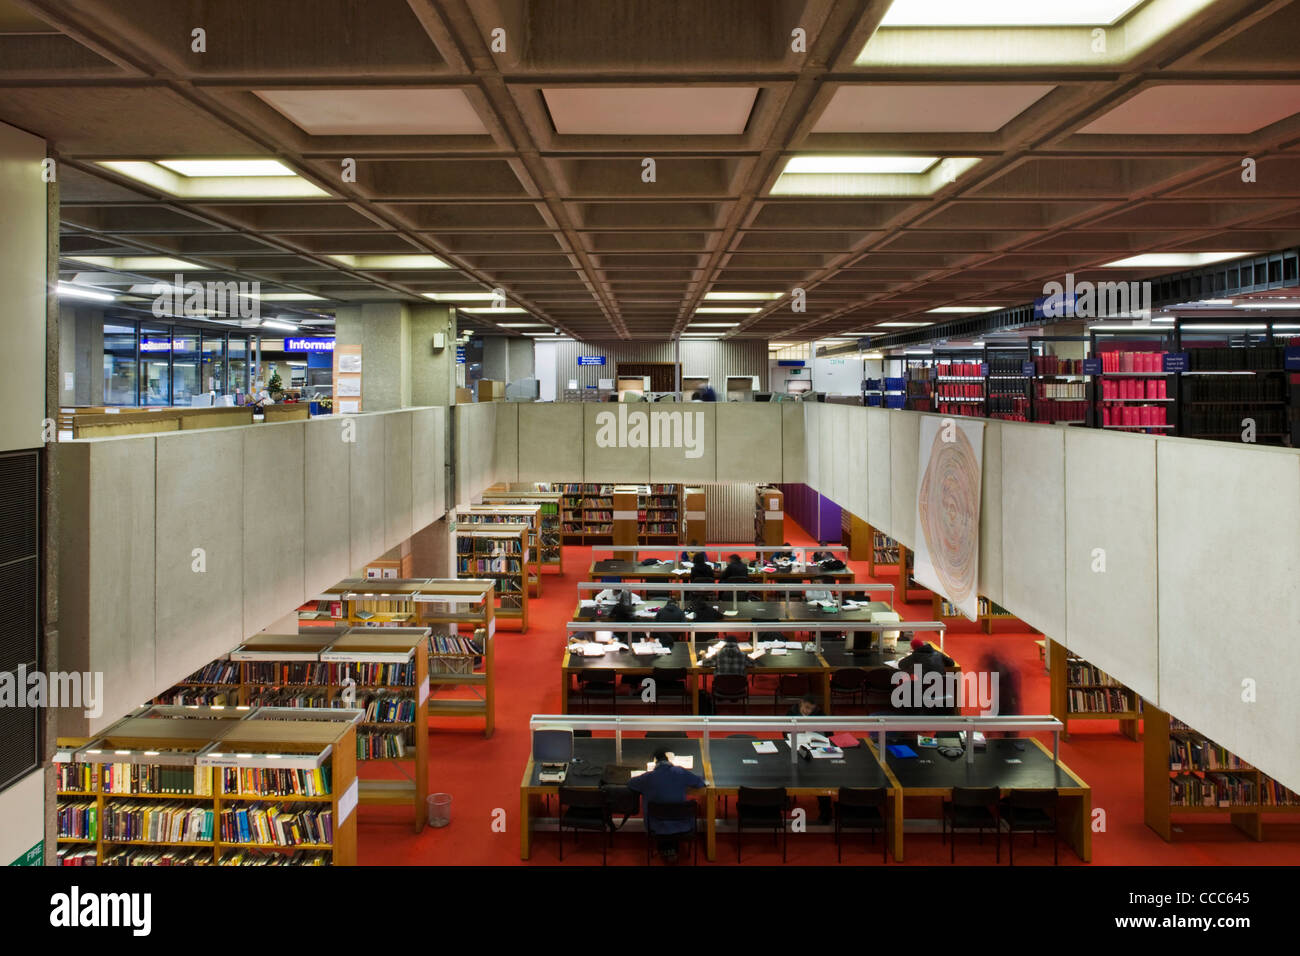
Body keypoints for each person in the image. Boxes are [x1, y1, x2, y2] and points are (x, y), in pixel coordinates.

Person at [627, 748, 706, 863]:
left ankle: (665, 847)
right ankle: (672, 847)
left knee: (662, 817)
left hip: (655, 825)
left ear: (655, 763)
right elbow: (700, 782)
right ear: (669, 761)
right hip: (682, 823)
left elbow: (630, 783)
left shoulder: (647, 777)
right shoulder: (680, 772)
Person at [786, 695, 833, 824]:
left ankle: (825, 812)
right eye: (806, 708)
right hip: (794, 747)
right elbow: (784, 731)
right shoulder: (791, 712)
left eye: (811, 709)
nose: (808, 711)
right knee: (786, 771)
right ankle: (784, 801)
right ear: (801, 703)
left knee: (821, 779)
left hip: (815, 750)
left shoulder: (820, 714)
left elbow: (829, 734)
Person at [898, 636, 958, 713]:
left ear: (913, 648)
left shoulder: (915, 656)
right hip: (941, 687)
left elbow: (901, 664)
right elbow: (951, 663)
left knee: (906, 686)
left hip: (924, 688)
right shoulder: (937, 652)